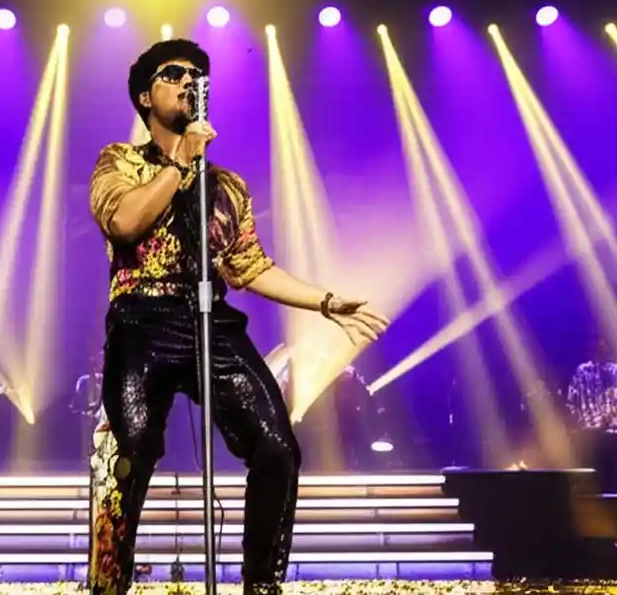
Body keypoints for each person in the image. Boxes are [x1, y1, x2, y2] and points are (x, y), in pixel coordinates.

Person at [86, 38, 390, 595]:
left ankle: (261, 587)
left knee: (276, 444)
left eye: (197, 75)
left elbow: (249, 267)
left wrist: (325, 302)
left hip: (209, 317)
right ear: (144, 95)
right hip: (140, 317)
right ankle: (109, 586)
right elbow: (125, 224)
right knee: (128, 451)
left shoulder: (227, 187)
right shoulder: (120, 161)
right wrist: (180, 162)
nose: (188, 82)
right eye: (173, 74)